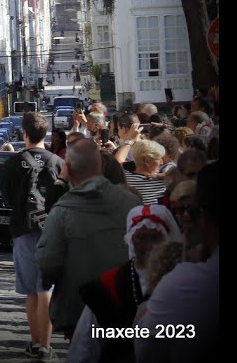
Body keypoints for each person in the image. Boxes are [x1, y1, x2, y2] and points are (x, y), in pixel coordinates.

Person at [36, 139, 139, 339]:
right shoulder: (132, 202)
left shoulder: (62, 210)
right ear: (100, 165)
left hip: (80, 308)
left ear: (68, 168)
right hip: (125, 304)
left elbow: (48, 262)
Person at [70, 204, 181, 363]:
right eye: (141, 237)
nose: (149, 246)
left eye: (156, 238)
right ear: (131, 240)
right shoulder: (107, 285)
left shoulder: (182, 282)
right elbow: (85, 347)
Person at [133, 163, 219, 363]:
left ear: (202, 214)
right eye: (178, 210)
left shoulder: (186, 281)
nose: (185, 216)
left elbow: (147, 351)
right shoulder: (182, 270)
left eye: (191, 210)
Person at [0, 113, 62, 360]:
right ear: (46, 134)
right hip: (50, 230)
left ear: (24, 133)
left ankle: (35, 342)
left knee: (31, 291)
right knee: (45, 288)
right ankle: (46, 346)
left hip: (22, 229)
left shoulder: (13, 163)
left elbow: (6, 199)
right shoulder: (57, 162)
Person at [123, 140, 167, 205]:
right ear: (147, 161)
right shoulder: (162, 181)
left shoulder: (123, 177)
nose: (162, 162)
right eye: (159, 159)